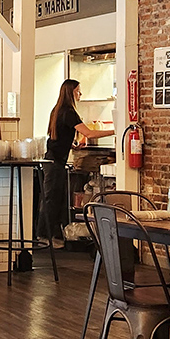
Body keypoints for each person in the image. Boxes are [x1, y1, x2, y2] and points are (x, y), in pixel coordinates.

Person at [42, 78, 114, 244]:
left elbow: (58, 135)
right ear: (71, 93)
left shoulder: (57, 110)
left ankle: (45, 235)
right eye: (78, 91)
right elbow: (89, 134)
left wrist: (73, 145)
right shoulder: (69, 111)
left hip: (51, 159)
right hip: (55, 162)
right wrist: (116, 129)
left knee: (50, 199)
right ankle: (47, 237)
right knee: (52, 200)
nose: (80, 94)